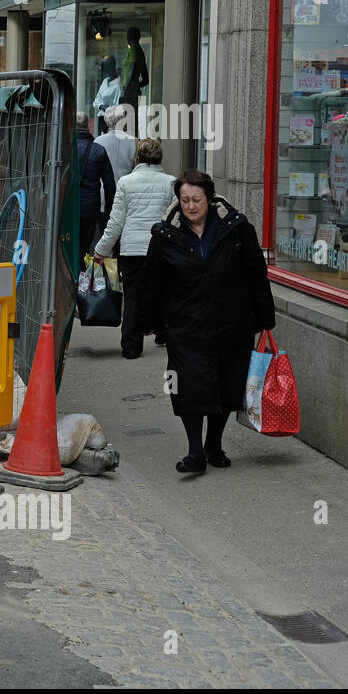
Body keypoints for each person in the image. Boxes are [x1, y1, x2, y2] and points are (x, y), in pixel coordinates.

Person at [138, 170, 275, 475]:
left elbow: (256, 273)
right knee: (187, 386)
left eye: (196, 199)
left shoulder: (236, 228)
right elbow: (151, 281)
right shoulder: (165, 234)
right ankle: (195, 453)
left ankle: (214, 444)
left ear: (209, 199)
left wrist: (265, 316)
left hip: (232, 323)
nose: (190, 206)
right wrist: (148, 321)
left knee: (227, 387)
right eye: (184, 199)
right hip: (186, 326)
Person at [91, 137, 175, 359]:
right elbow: (174, 220)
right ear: (159, 157)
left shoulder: (126, 182)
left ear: (137, 157)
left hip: (132, 250)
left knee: (132, 297)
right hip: (160, 249)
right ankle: (163, 333)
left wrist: (101, 249)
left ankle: (131, 345)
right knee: (162, 292)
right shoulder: (171, 183)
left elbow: (116, 221)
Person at [77, 117, 116, 258]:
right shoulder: (98, 150)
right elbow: (109, 184)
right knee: (85, 247)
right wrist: (108, 212)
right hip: (90, 207)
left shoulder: (63, 149)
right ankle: (82, 275)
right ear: (88, 126)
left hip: (67, 207)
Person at [94, 105, 137, 184]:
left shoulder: (98, 141)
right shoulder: (134, 141)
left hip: (103, 190)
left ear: (107, 122)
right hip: (127, 188)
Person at [121, 27, 149, 112]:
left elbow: (132, 70)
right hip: (134, 89)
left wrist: (126, 89)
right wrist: (136, 86)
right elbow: (145, 80)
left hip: (130, 90)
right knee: (133, 118)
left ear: (128, 37)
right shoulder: (140, 51)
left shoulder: (134, 49)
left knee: (129, 119)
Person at [92, 56, 122, 133]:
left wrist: (107, 109)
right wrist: (102, 106)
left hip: (111, 121)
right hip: (101, 118)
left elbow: (117, 106)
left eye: (105, 68)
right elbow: (96, 102)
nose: (103, 72)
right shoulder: (105, 81)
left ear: (111, 67)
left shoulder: (118, 86)